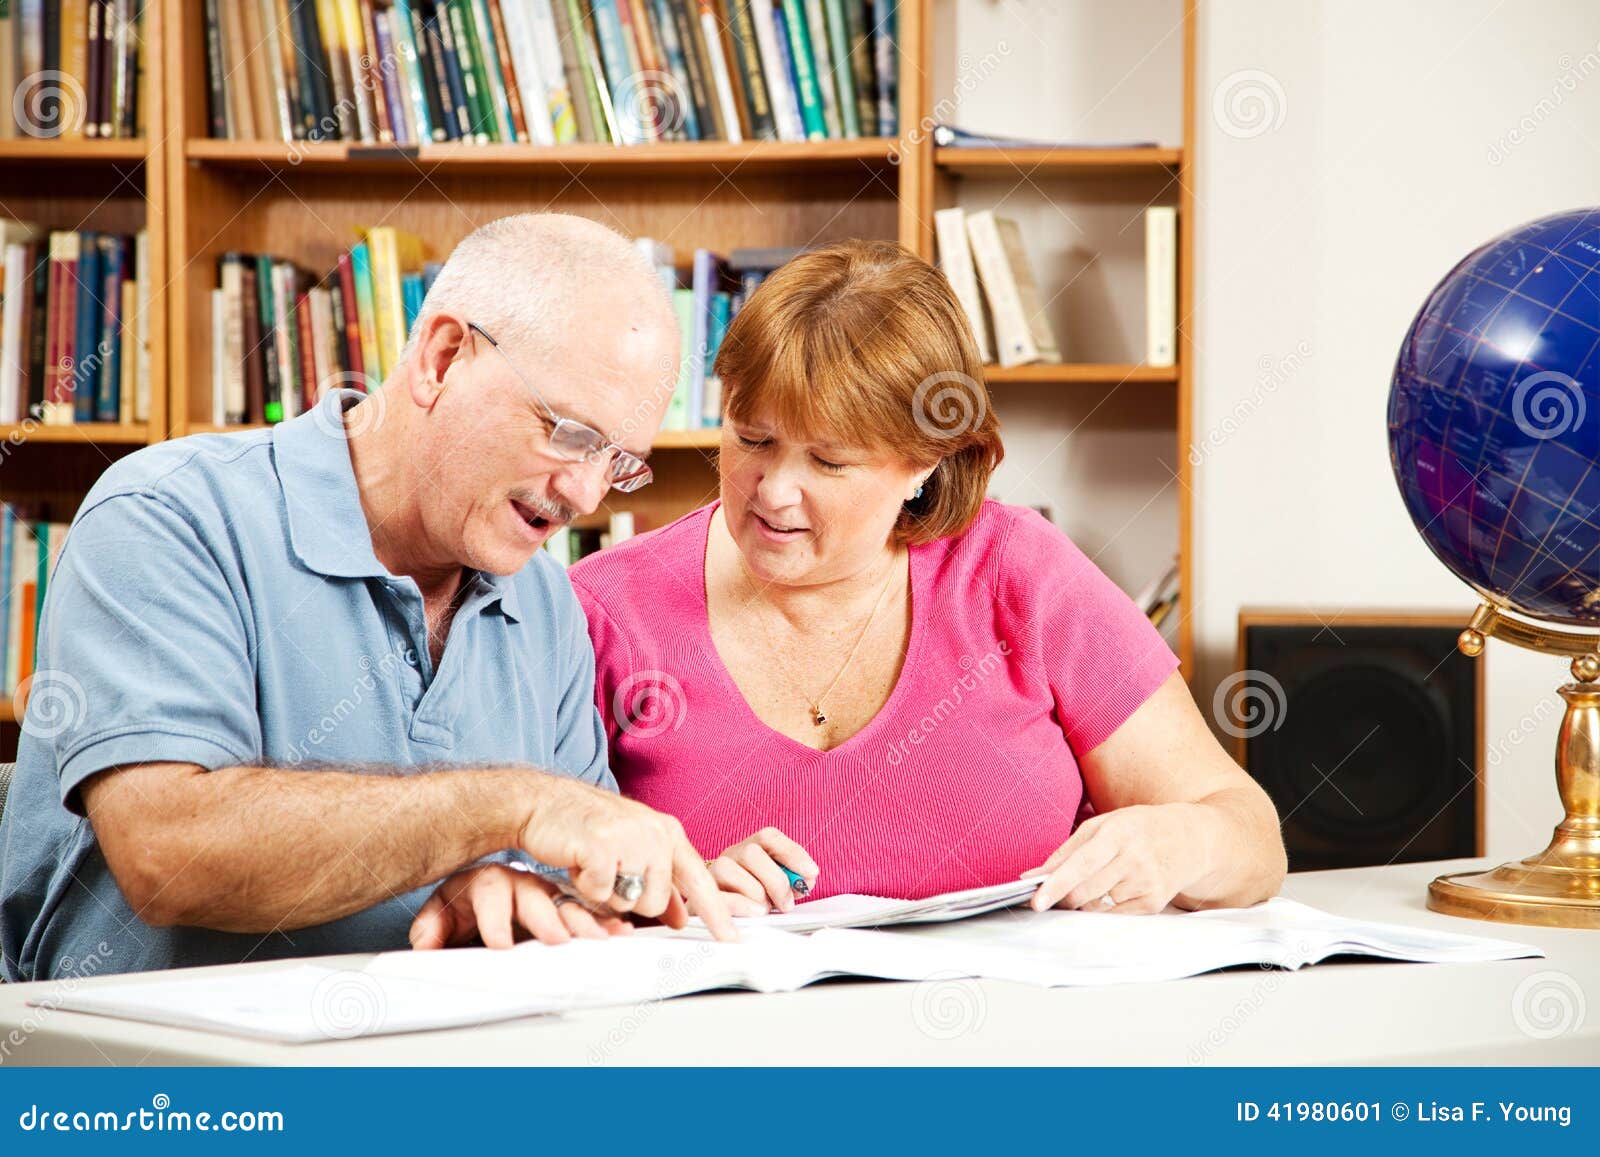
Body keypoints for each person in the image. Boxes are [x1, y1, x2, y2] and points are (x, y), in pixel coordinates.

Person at [0, 213, 734, 982]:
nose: (585, 492)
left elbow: (567, 876)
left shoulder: (547, 600)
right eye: (571, 434)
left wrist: (576, 900)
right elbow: (166, 855)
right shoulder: (168, 515)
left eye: (618, 462)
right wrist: (512, 804)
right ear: (443, 357)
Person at [572, 240, 1286, 918]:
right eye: (752, 439)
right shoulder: (605, 607)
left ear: (926, 461)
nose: (774, 490)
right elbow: (524, 885)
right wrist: (666, 893)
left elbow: (1250, 834)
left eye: (829, 461)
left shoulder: (1018, 573)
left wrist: (1178, 843)